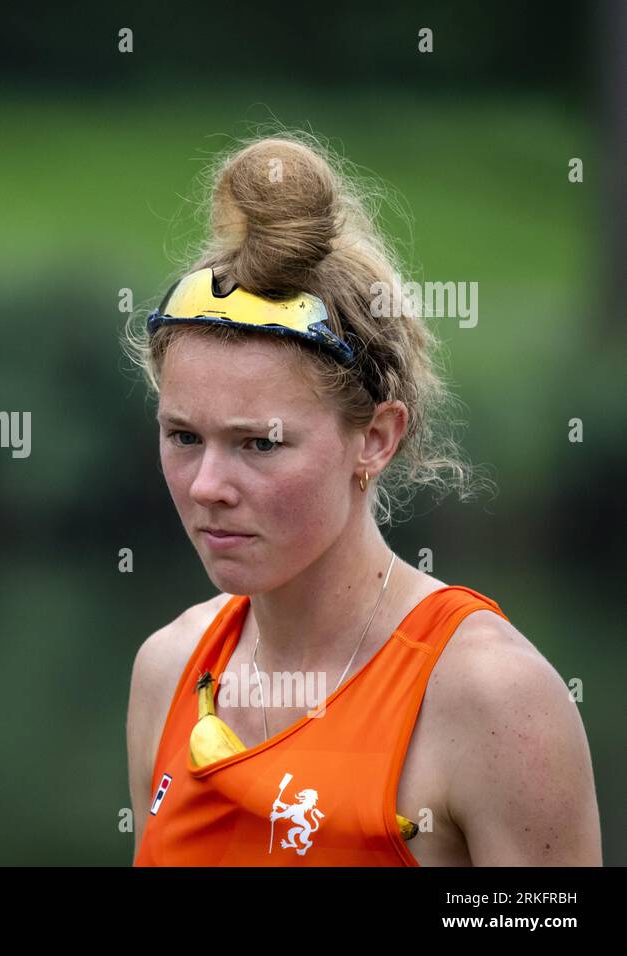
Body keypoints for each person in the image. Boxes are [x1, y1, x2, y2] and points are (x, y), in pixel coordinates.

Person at [122, 133, 601, 866]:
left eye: (259, 444)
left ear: (375, 439)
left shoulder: (495, 699)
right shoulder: (169, 667)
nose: (206, 486)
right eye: (184, 436)